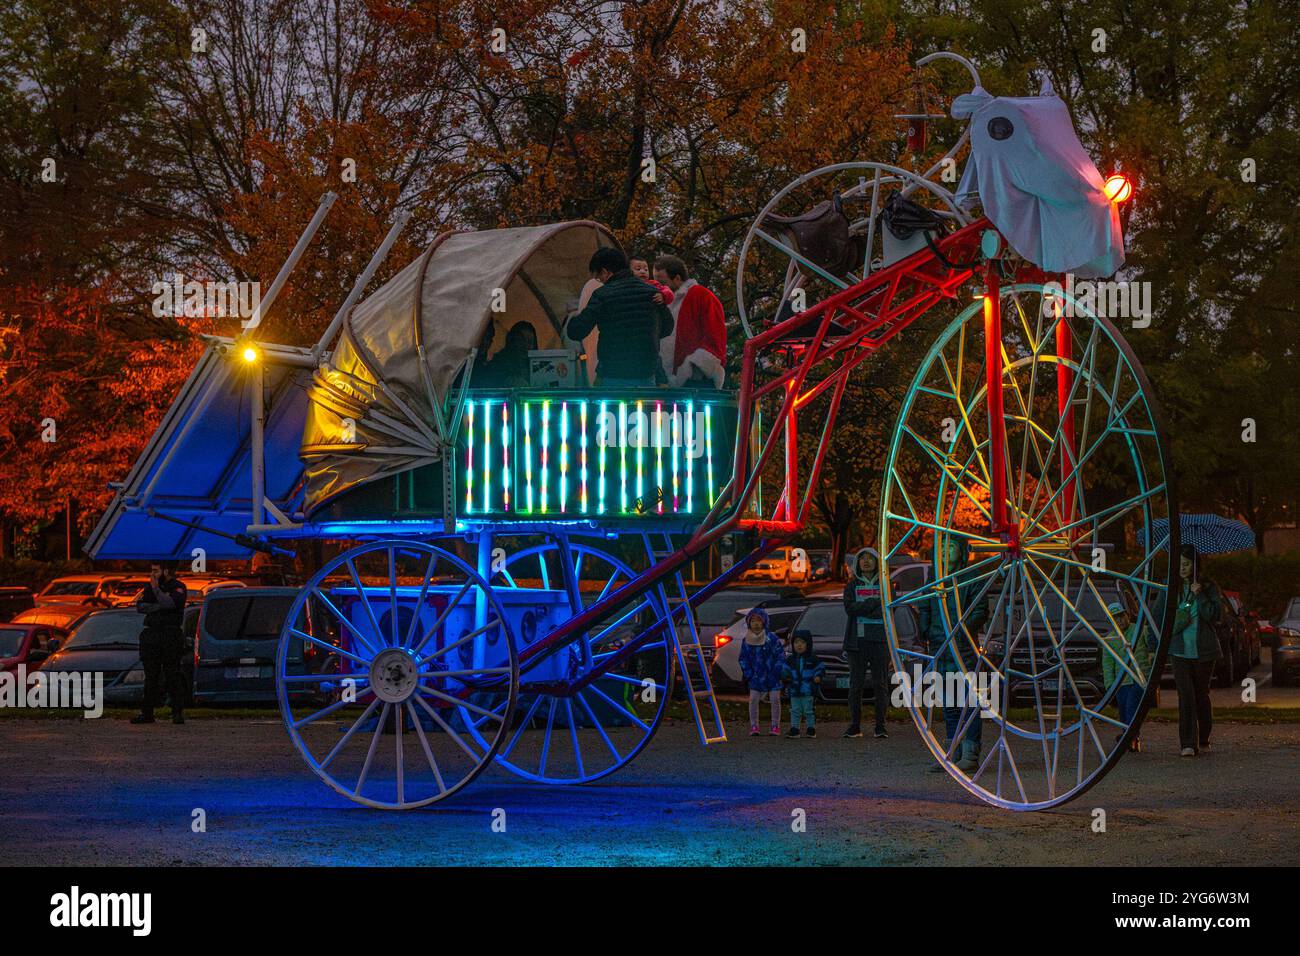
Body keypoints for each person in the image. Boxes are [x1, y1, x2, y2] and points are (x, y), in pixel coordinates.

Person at [918, 537, 989, 772]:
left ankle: (970, 751)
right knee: (949, 703)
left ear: (960, 552)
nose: (945, 551)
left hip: (962, 646)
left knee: (969, 700)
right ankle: (953, 749)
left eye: (950, 547)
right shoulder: (934, 580)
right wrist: (927, 630)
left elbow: (980, 608)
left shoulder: (971, 578)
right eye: (942, 547)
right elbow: (925, 607)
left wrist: (961, 630)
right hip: (940, 645)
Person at [566, 247, 674, 386]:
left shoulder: (602, 294)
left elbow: (576, 331)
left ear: (605, 272)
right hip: (646, 372)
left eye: (599, 277)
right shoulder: (652, 292)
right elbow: (668, 327)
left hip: (613, 373)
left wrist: (575, 314)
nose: (600, 281)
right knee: (642, 407)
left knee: (613, 407)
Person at [1170, 544, 1221, 756]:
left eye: (1187, 564)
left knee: (1201, 695)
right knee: (1185, 695)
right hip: (1179, 650)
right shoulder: (1173, 587)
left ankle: (1204, 734)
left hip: (1203, 652)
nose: (1182, 567)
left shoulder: (1208, 586)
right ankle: (1187, 743)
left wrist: (1200, 595)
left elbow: (1214, 615)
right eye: (1180, 563)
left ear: (1195, 565)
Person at [653, 255, 727, 388]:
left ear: (677, 278)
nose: (658, 286)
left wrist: (695, 367)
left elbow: (715, 335)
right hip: (664, 381)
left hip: (694, 380)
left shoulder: (701, 295)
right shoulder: (661, 301)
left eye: (662, 282)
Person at [131, 561, 189, 725]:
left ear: (166, 571)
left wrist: (157, 592)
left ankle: (177, 712)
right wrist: (160, 604)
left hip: (170, 634)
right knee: (151, 676)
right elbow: (140, 606)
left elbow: (170, 603)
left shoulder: (178, 587)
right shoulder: (149, 587)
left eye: (155, 571)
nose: (152, 574)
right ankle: (147, 712)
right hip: (152, 635)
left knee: (172, 674)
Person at [842, 548, 889, 738]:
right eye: (862, 559)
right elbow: (850, 608)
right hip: (857, 643)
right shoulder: (851, 586)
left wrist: (865, 607)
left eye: (870, 558)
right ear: (857, 564)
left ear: (877, 562)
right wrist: (873, 603)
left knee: (881, 685)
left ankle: (880, 726)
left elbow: (887, 610)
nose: (866, 561)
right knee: (856, 686)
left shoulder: (885, 585)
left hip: (880, 642)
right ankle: (855, 726)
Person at [1100, 598, 1153, 752]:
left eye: (1121, 616)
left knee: (1131, 708)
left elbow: (1151, 647)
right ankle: (1129, 737)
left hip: (1139, 678)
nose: (1120, 620)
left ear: (1127, 615)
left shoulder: (1140, 630)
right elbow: (1108, 664)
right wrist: (1110, 686)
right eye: (1115, 618)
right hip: (1121, 681)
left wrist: (1151, 660)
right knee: (1123, 711)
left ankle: (1131, 737)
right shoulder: (1110, 639)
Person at [738, 607, 784, 736]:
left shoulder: (771, 639)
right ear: (749, 623)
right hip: (756, 676)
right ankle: (754, 725)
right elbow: (743, 659)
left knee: (775, 699)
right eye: (753, 621)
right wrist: (749, 674)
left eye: (759, 621)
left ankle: (775, 725)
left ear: (764, 622)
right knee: (753, 700)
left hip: (772, 676)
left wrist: (776, 671)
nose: (756, 624)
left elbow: (780, 655)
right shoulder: (746, 641)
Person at [782, 629, 824, 738]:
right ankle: (795, 729)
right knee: (795, 710)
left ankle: (811, 729)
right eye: (796, 642)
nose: (799, 645)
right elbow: (784, 670)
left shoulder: (813, 659)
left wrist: (818, 676)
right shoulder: (790, 659)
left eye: (802, 642)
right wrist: (784, 676)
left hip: (808, 689)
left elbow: (820, 668)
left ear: (808, 644)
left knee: (809, 710)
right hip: (794, 689)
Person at [474, 321, 537, 389]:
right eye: (521, 339)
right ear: (512, 340)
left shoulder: (538, 368)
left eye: (530, 341)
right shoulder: (497, 364)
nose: (526, 345)